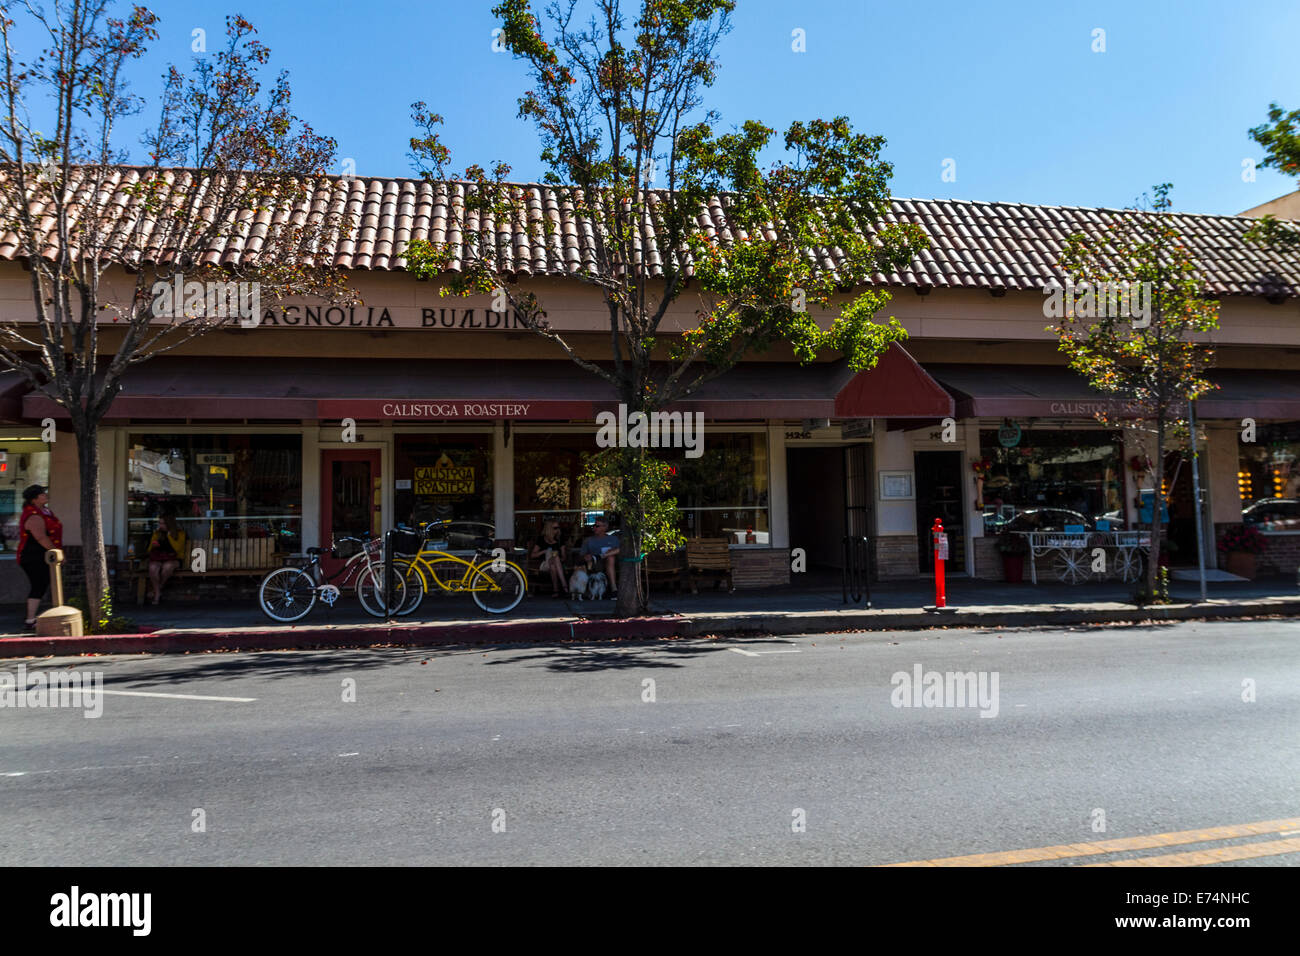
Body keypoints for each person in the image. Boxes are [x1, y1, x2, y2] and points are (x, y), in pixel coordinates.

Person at [16, 484, 62, 628]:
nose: (45, 495)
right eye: (42, 494)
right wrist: (56, 552)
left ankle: (34, 617)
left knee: (42, 584)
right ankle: (30, 620)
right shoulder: (33, 515)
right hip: (33, 556)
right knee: (39, 584)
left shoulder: (46, 511)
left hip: (44, 555)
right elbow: (41, 537)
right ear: (34, 499)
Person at [146, 515, 187, 605]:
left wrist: (169, 536)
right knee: (152, 568)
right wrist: (154, 545)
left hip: (174, 558)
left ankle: (157, 591)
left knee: (167, 566)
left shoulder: (180, 533)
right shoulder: (157, 533)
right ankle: (158, 592)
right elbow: (149, 549)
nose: (161, 525)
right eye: (159, 523)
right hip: (159, 557)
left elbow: (178, 548)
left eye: (163, 523)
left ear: (169, 524)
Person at [579, 516, 619, 595]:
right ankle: (613, 589)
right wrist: (586, 557)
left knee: (611, 557)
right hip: (595, 563)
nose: (594, 528)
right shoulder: (588, 540)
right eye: (594, 525)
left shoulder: (613, 539)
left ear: (605, 527)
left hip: (612, 563)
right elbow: (582, 555)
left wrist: (607, 553)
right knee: (609, 558)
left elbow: (619, 550)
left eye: (597, 526)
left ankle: (614, 588)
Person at [529, 519, 568, 598]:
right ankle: (565, 586)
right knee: (552, 556)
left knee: (554, 564)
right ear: (549, 528)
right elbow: (532, 555)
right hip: (544, 564)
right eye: (555, 528)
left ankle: (556, 591)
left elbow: (564, 557)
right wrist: (544, 551)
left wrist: (559, 559)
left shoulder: (560, 540)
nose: (557, 530)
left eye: (558, 528)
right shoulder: (541, 539)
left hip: (558, 565)